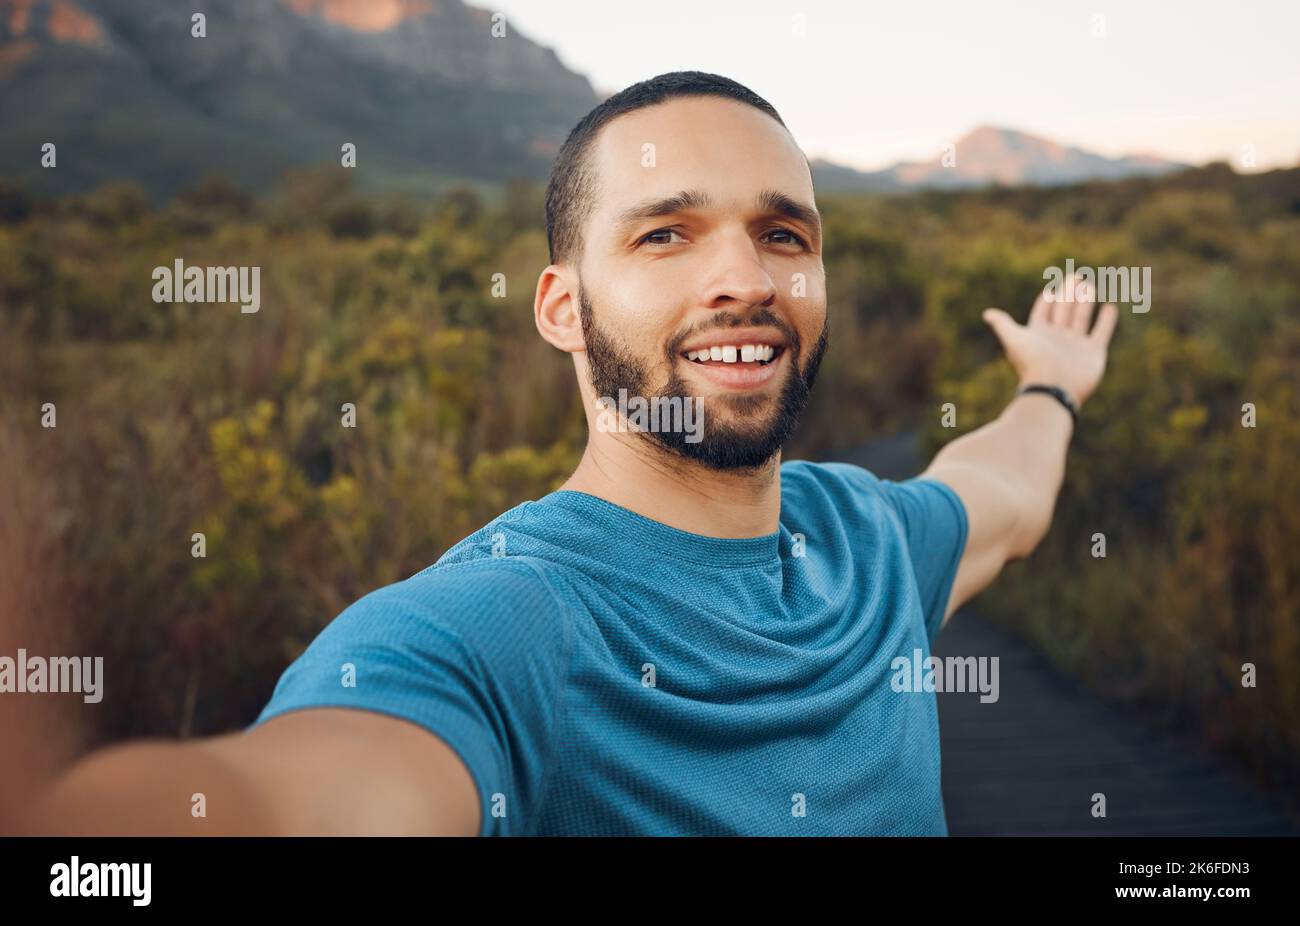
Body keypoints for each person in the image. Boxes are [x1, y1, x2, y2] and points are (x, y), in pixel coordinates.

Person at [16, 71, 1116, 836]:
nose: (745, 277)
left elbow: (1007, 486)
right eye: (663, 234)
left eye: (784, 234)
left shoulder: (868, 538)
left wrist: (1052, 382)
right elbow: (285, 797)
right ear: (561, 306)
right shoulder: (493, 629)